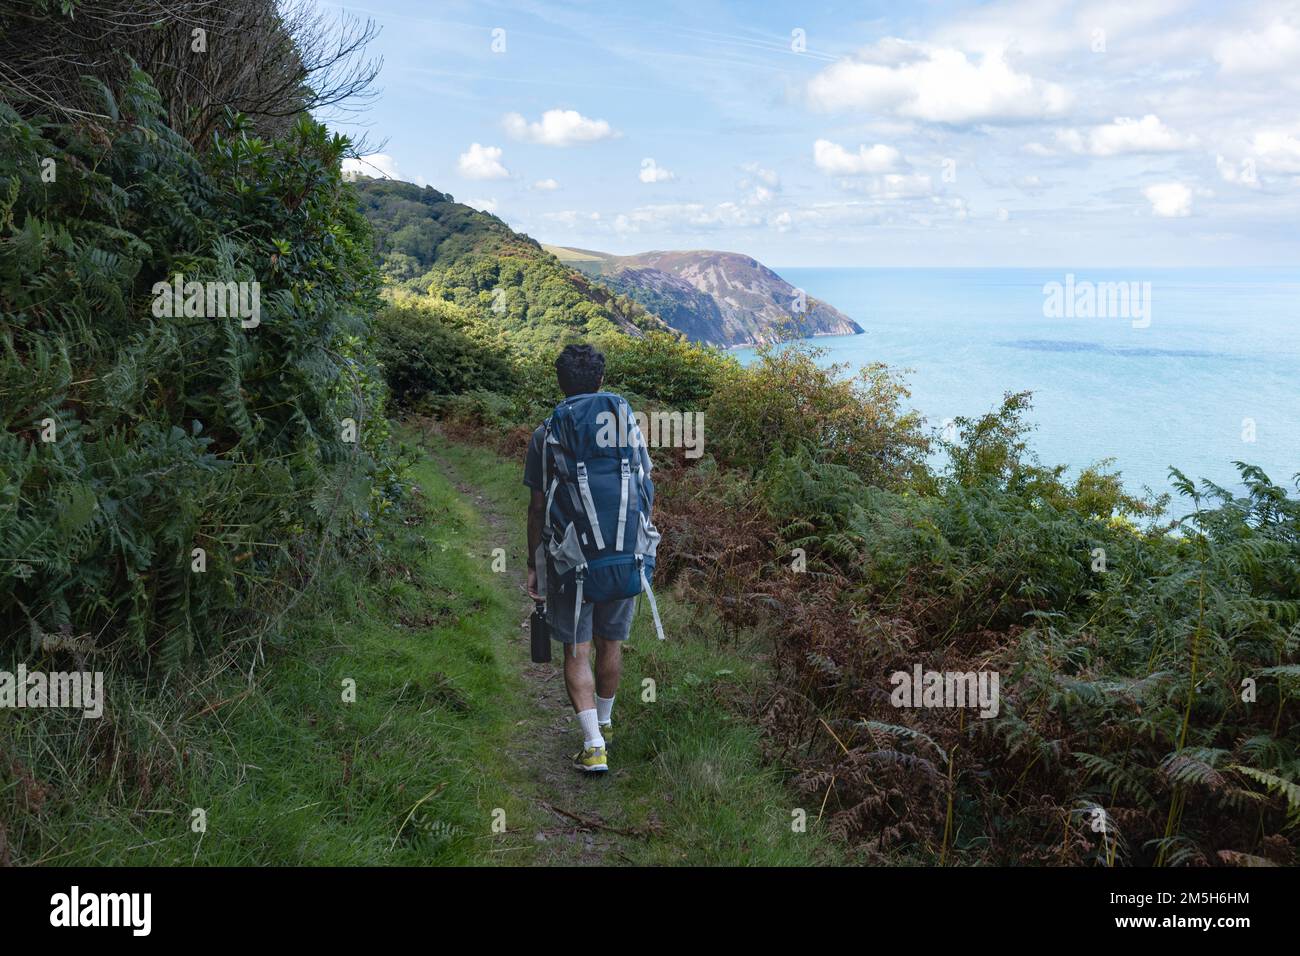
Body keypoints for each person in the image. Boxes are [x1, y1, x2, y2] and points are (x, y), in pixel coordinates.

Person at [524, 343, 655, 773]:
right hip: (625, 554)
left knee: (576, 650)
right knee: (610, 643)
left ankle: (593, 744)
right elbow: (646, 487)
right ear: (601, 380)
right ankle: (606, 722)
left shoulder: (546, 434)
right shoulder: (625, 424)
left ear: (560, 384)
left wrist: (535, 564)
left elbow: (538, 507)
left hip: (572, 560)